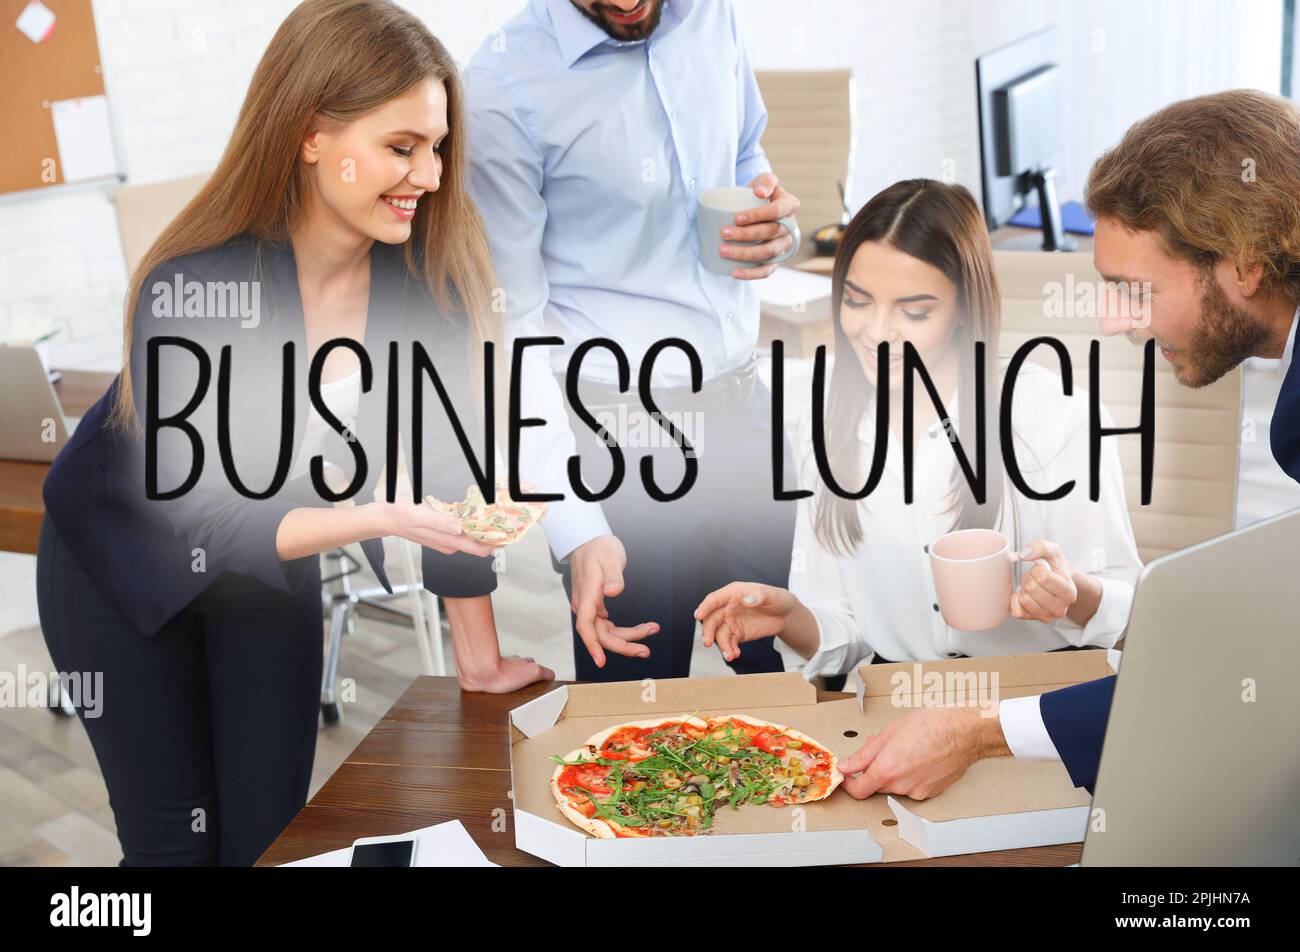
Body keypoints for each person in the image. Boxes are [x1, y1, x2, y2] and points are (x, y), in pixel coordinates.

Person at [36, 0, 649, 866]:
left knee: (269, 840)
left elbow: (448, 468)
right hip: (120, 566)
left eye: (437, 147)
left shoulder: (423, 280)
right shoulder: (196, 286)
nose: (429, 175)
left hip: (271, 558)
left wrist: (478, 659)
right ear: (310, 135)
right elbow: (212, 518)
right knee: (174, 846)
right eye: (402, 147)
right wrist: (381, 515)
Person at [795, 90, 1300, 803]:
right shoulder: (829, 421)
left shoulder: (1051, 416)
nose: (1114, 323)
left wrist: (985, 729)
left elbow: (1257, 673)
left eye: (1135, 289)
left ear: (1245, 265)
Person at [465, 0, 803, 680]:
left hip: (746, 416)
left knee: (776, 678)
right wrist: (578, 526)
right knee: (636, 701)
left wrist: (775, 228)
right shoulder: (500, 88)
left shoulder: (712, 16)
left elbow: (744, 151)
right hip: (621, 444)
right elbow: (510, 327)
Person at [694, 180, 1141, 681]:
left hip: (1038, 693)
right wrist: (791, 618)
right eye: (857, 302)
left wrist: (1074, 595)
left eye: (913, 312)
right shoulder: (825, 426)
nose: (877, 331)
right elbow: (844, 630)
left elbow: (1129, 610)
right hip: (905, 693)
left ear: (964, 309)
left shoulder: (1058, 418)